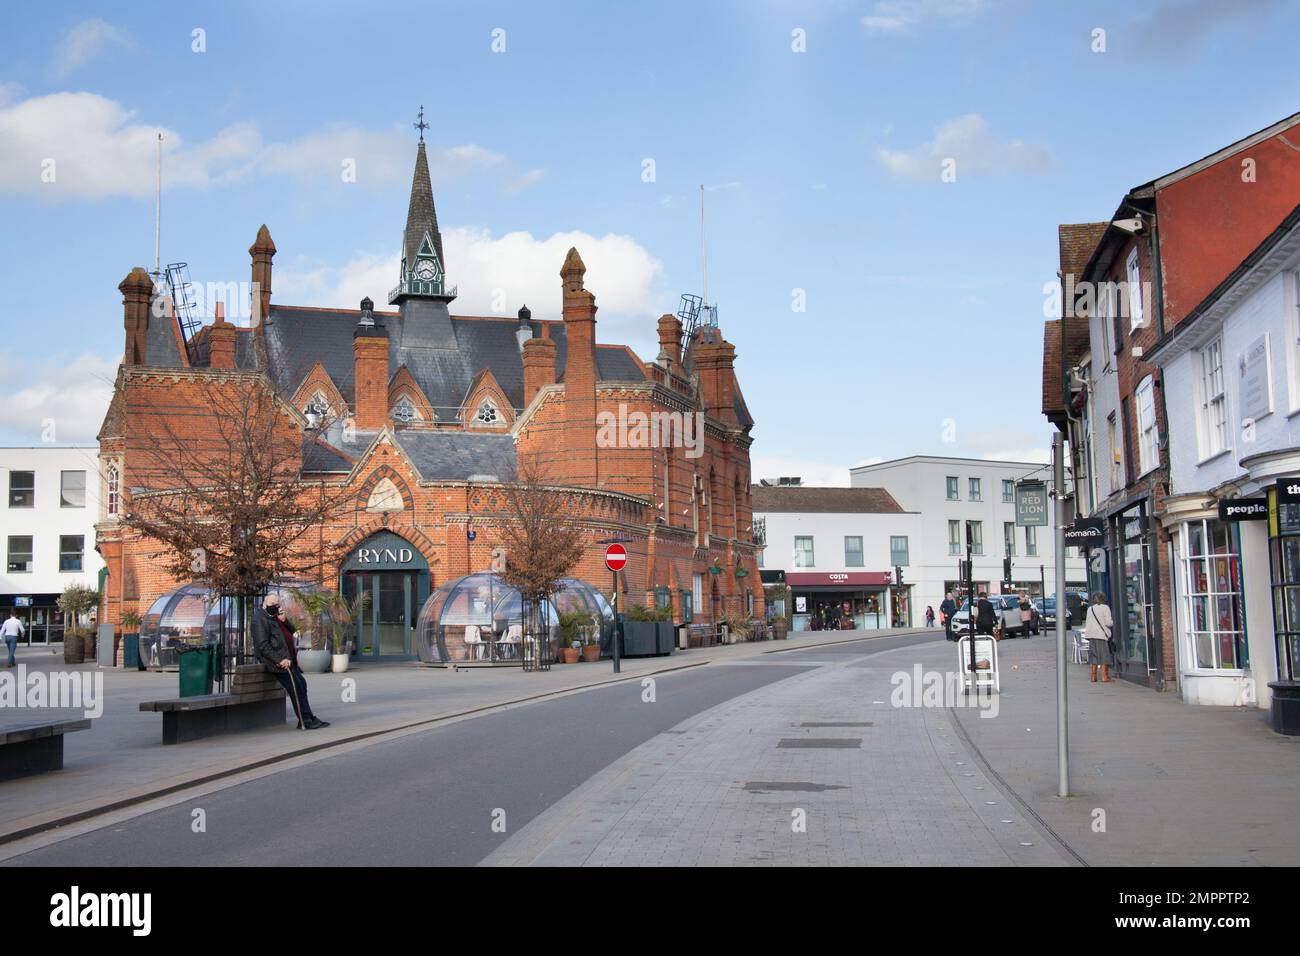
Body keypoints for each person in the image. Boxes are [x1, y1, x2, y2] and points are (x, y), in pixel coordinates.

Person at [253, 594, 329, 729]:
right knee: (296, 688)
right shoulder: (260, 619)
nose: (276, 607)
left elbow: (292, 631)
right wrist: (279, 660)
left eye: (277, 604)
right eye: (273, 604)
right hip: (277, 662)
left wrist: (284, 620)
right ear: (265, 603)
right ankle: (305, 720)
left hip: (288, 659)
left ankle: (308, 717)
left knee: (301, 684)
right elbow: (262, 645)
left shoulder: (274, 616)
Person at [1084, 590, 1115, 683]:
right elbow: (1108, 623)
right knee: (1104, 655)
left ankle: (1093, 676)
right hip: (1101, 635)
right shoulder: (1105, 608)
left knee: (1094, 655)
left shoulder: (1090, 609)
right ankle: (1104, 676)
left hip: (1091, 635)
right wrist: (1113, 622)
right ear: (1103, 599)